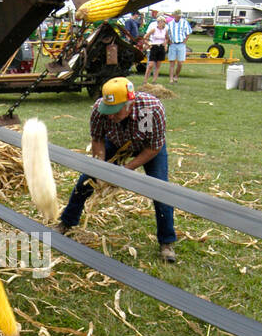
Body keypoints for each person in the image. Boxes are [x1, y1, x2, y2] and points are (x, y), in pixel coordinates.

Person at [56, 76, 177, 262]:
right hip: (115, 141)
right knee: (86, 181)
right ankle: (67, 221)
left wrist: (125, 170)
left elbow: (154, 148)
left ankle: (166, 242)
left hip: (147, 147)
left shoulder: (152, 109)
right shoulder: (99, 109)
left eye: (115, 111)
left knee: (160, 189)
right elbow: (97, 139)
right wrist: (101, 168)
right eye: (108, 111)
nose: (110, 116)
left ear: (130, 103)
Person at [166, 8, 191, 84]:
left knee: (180, 63)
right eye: (177, 15)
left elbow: (188, 32)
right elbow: (167, 33)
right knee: (172, 62)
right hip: (173, 44)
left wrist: (184, 42)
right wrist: (169, 41)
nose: (179, 17)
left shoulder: (184, 22)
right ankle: (171, 79)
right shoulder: (170, 24)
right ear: (174, 16)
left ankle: (176, 76)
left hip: (181, 44)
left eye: (180, 15)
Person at [143, 15, 169, 83]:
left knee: (158, 65)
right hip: (154, 46)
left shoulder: (165, 30)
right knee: (150, 65)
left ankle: (154, 80)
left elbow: (167, 38)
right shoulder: (154, 29)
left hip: (161, 47)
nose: (160, 23)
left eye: (162, 22)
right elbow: (145, 37)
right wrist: (148, 44)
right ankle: (145, 80)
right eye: (159, 22)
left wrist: (165, 43)